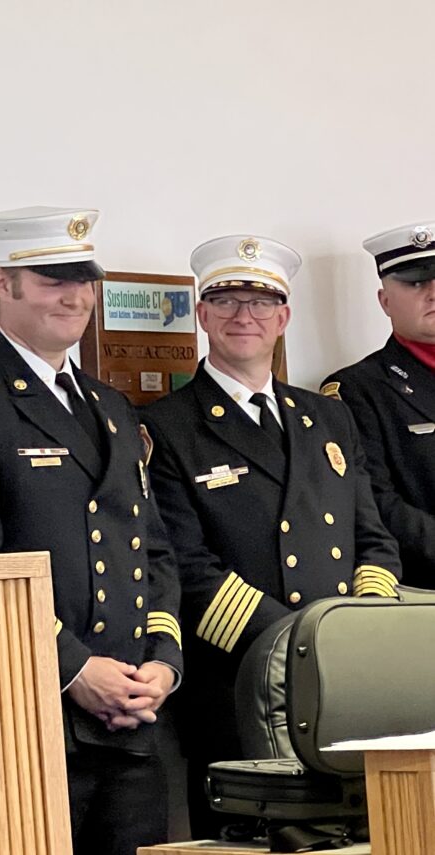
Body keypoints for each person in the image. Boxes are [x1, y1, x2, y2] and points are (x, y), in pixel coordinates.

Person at [0, 206, 183, 855]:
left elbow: (152, 547)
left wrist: (162, 664)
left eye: (83, 278)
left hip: (136, 716)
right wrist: (75, 668)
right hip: (29, 712)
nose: (75, 294)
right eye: (53, 278)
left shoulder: (109, 406)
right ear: (2, 282)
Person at [141, 234, 401, 838]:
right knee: (257, 841)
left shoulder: (328, 417)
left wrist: (357, 630)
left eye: (261, 304)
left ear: (284, 317)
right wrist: (298, 642)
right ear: (201, 314)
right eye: (227, 302)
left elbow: (373, 536)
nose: (244, 317)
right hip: (242, 682)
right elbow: (183, 563)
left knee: (360, 837)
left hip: (345, 680)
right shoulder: (163, 426)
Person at [321, 221, 435, 590]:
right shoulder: (357, 390)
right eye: (415, 282)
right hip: (422, 590)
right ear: (385, 301)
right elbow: (373, 500)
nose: (432, 292)